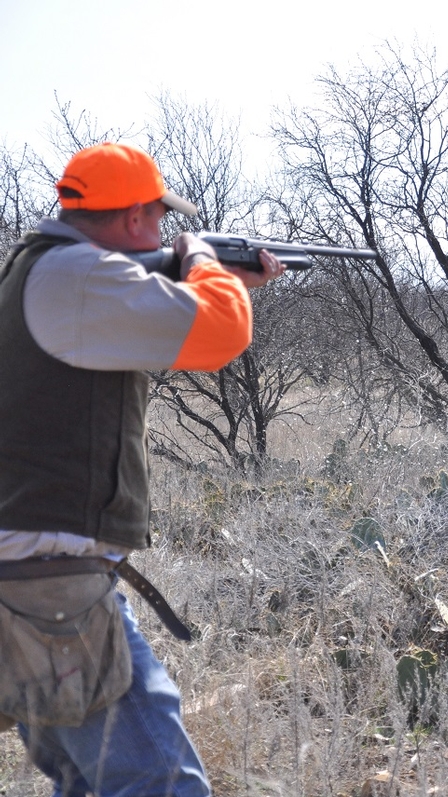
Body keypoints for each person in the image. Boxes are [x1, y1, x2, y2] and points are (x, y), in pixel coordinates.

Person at [0, 141, 285, 796]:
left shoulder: (45, 271)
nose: (162, 231)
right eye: (158, 220)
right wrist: (205, 261)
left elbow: (182, 318)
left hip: (32, 581)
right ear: (135, 220)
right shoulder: (77, 275)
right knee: (160, 781)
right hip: (54, 590)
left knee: (88, 782)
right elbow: (220, 334)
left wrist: (209, 278)